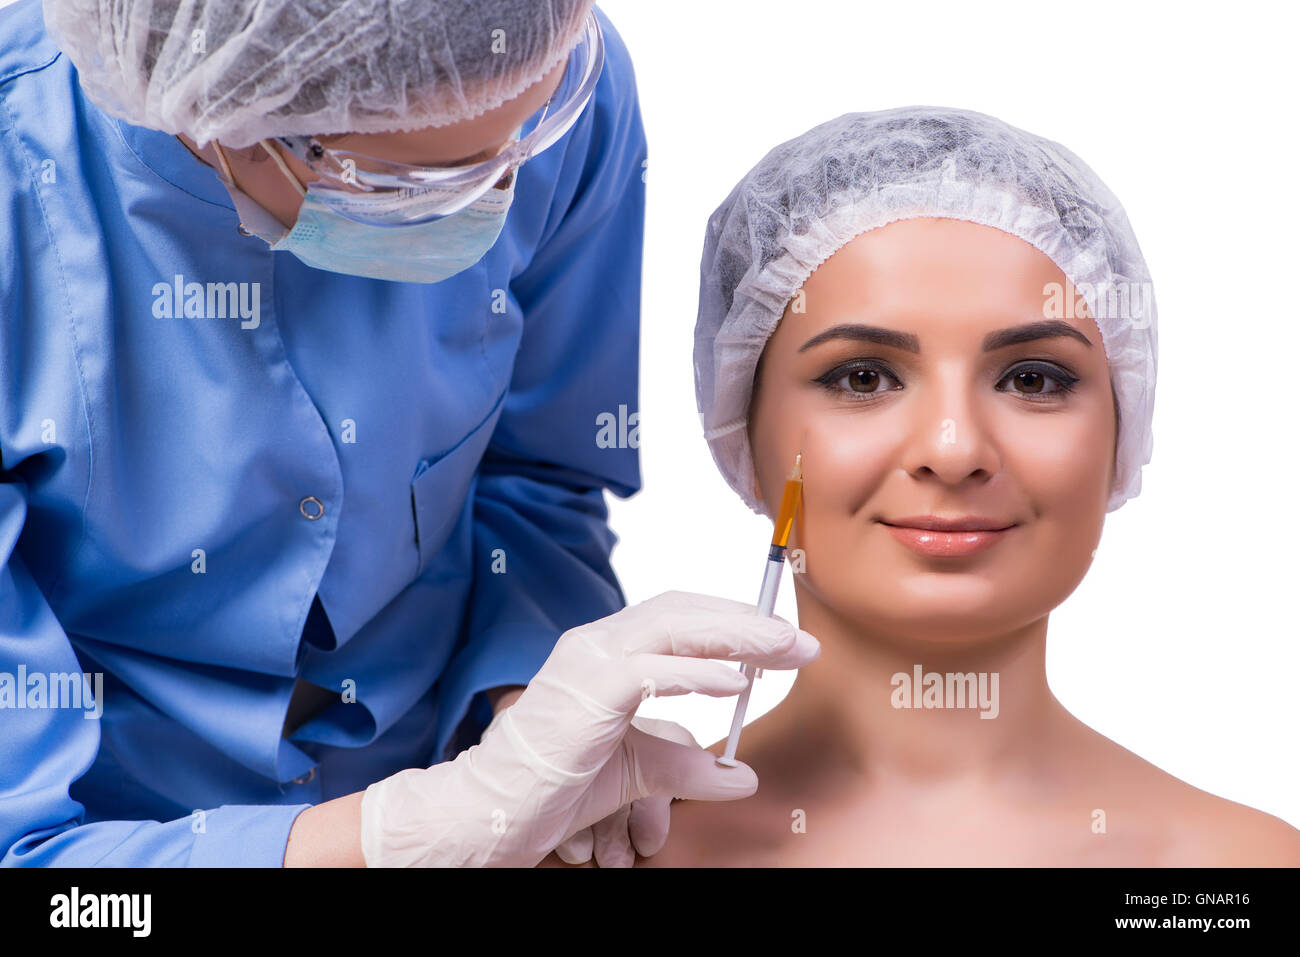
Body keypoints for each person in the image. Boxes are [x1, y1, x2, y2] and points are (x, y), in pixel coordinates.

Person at [0, 0, 819, 868]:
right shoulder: (26, 184)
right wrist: (401, 838)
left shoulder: (532, 60)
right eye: (417, 186)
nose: (500, 193)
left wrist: (531, 716)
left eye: (526, 140)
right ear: (226, 121)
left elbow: (538, 476)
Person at [540, 105, 1300, 867]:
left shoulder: (1234, 875)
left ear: (1121, 429)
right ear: (741, 427)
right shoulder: (604, 856)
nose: (954, 448)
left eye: (1032, 378)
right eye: (863, 377)